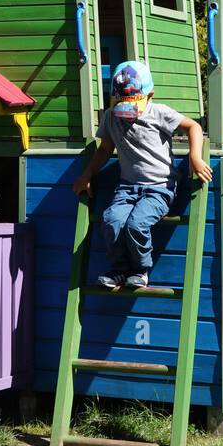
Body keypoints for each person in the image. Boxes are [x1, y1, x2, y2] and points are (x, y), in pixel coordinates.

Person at [73, 59, 212, 290]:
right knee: (111, 221)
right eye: (122, 102)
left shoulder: (159, 113)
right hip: (127, 187)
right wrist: (87, 175)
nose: (128, 110)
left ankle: (139, 270)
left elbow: (193, 127)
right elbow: (105, 149)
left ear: (149, 95)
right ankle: (118, 270)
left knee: (136, 225)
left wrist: (195, 157)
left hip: (160, 187)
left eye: (134, 103)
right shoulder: (110, 116)